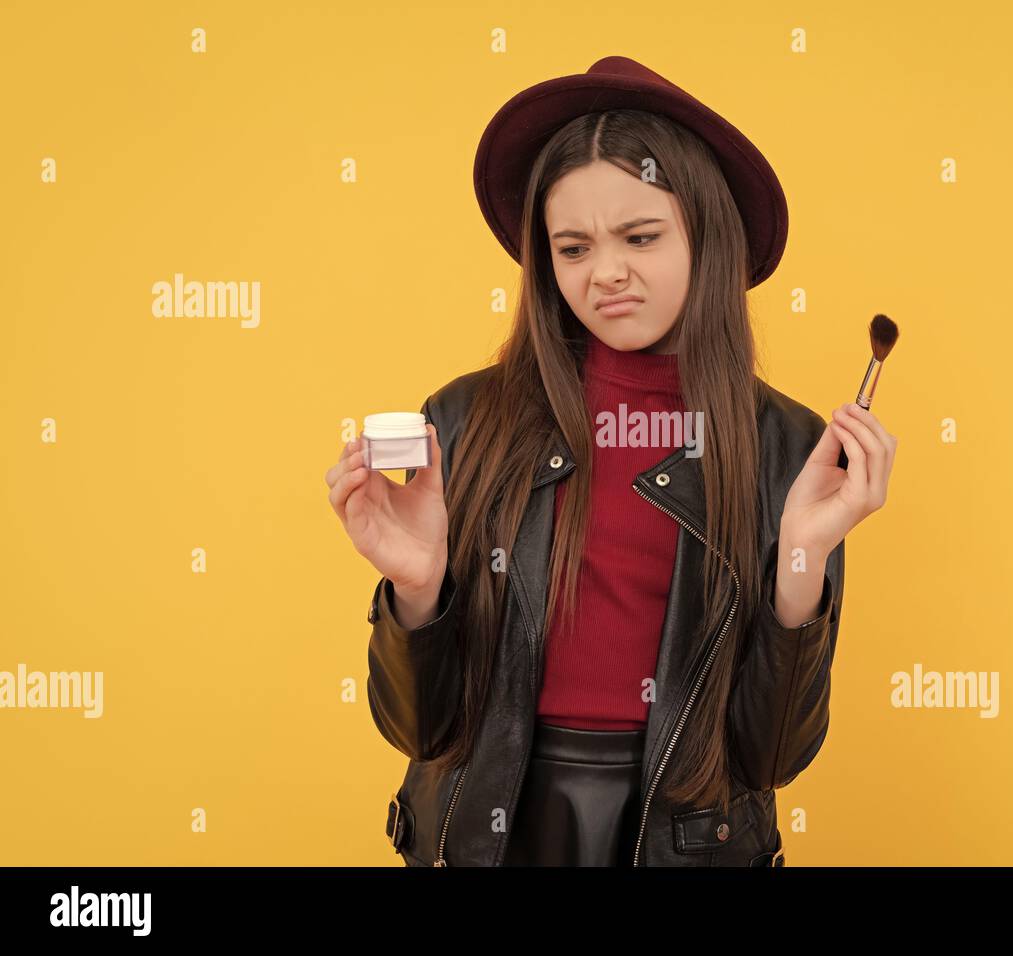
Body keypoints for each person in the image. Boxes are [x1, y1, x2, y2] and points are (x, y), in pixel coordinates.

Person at [324, 56, 897, 866]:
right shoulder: (459, 423)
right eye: (573, 247)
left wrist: (801, 565)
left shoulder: (791, 451)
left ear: (709, 234)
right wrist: (418, 595)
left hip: (686, 845)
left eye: (641, 236)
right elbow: (417, 731)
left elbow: (772, 760)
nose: (607, 272)